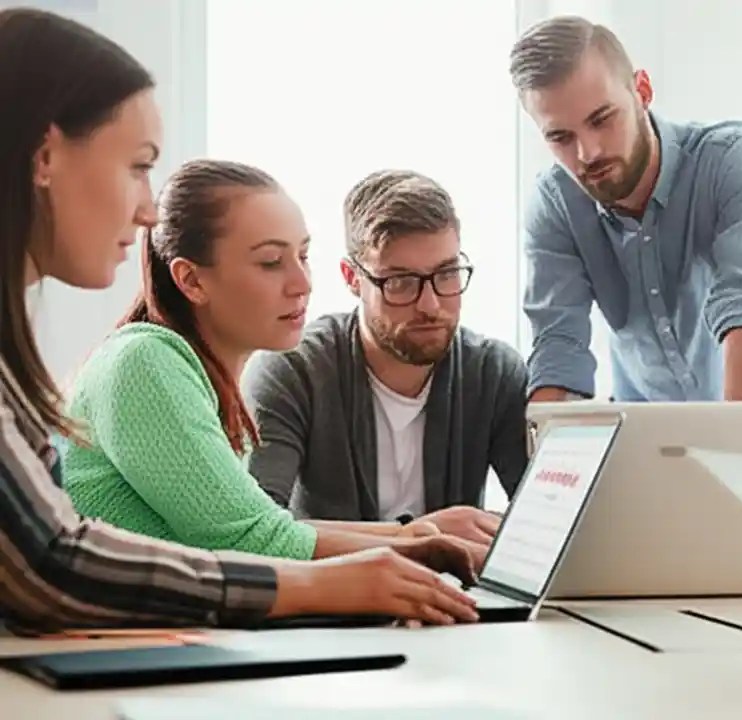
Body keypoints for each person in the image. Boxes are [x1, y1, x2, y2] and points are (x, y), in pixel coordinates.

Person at [0, 8, 476, 629]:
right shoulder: (143, 359)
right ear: (45, 157)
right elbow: (55, 562)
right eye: (137, 166)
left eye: (301, 256)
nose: (148, 210)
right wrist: (362, 565)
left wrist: (405, 542)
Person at [63, 159, 493, 564]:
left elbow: (264, 529)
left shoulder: (205, 385)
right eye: (271, 262)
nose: (302, 283)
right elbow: (251, 542)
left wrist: (416, 532)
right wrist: (430, 548)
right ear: (192, 280)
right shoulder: (143, 361)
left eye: (303, 256)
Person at [242, 170, 528, 549]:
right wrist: (418, 538)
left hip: (455, 600)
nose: (430, 305)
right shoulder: (293, 371)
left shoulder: (494, 374)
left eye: (447, 274)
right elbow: (256, 532)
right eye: (399, 282)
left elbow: (546, 524)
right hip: (332, 597)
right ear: (352, 277)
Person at [511, 16, 742, 402]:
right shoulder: (556, 206)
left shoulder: (732, 160)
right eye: (561, 137)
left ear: (642, 90)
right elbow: (559, 345)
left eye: (602, 119)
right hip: (640, 435)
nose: (587, 153)